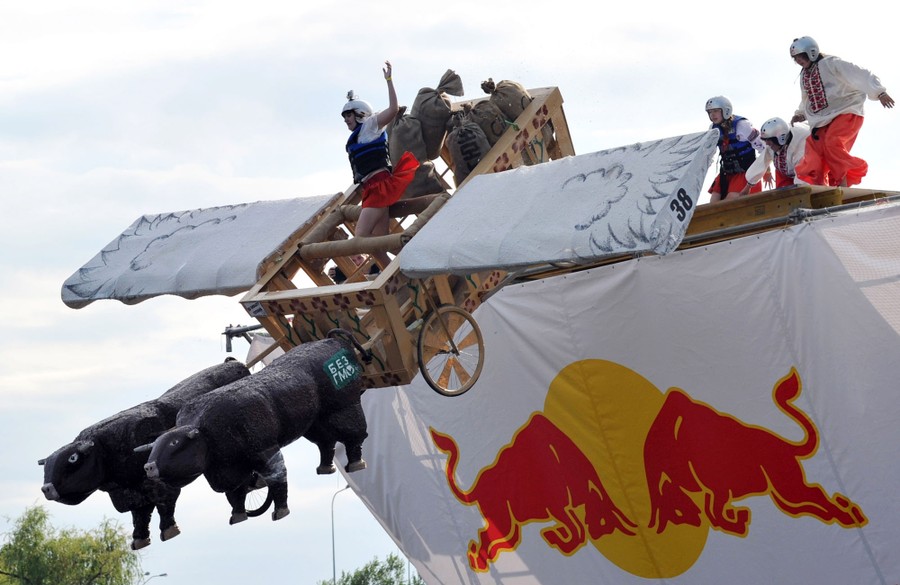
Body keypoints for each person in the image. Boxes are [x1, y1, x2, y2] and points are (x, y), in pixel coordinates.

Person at [789, 36, 894, 187]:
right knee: (814, 150)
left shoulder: (831, 63)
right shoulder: (804, 75)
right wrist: (800, 113)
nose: (798, 61)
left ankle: (843, 181)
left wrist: (880, 93)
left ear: (811, 52)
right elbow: (807, 98)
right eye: (795, 58)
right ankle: (820, 186)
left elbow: (859, 73)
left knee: (833, 143)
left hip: (846, 110)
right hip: (821, 118)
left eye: (800, 56)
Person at [343, 60, 419, 268]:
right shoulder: (358, 135)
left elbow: (393, 109)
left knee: (361, 236)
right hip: (372, 188)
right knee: (380, 242)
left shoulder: (370, 126)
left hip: (379, 187)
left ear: (360, 114)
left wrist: (389, 80)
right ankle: (408, 266)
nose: (346, 120)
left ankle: (401, 271)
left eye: (348, 115)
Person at [705, 96, 768, 202]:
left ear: (726, 110)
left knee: (729, 202)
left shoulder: (741, 125)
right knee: (713, 203)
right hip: (727, 172)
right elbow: (709, 152)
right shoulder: (713, 129)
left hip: (745, 172)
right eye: (710, 112)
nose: (712, 115)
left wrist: (766, 170)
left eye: (715, 111)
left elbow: (762, 146)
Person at [741, 117, 811, 194]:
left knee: (804, 190)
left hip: (808, 169)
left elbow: (804, 178)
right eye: (765, 140)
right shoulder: (773, 143)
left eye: (768, 140)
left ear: (781, 138)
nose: (766, 143)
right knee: (781, 195)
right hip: (787, 172)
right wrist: (747, 188)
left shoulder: (800, 146)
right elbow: (761, 162)